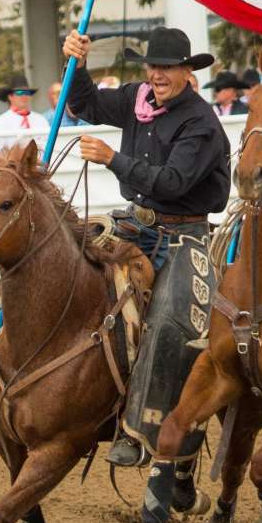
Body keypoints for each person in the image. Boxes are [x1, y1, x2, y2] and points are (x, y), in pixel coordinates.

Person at [50, 23, 230, 465]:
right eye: (152, 66)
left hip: (185, 233)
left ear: (187, 72)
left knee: (167, 321)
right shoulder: (138, 99)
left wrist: (113, 159)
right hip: (136, 223)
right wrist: (78, 65)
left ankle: (139, 428)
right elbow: (86, 104)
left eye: (167, 67)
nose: (157, 75)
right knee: (56, 256)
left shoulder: (200, 122)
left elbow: (172, 183)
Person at [0, 80, 50, 155]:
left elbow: (49, 145)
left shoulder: (41, 119)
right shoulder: (0, 122)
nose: (24, 96)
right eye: (19, 92)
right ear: (10, 96)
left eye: (27, 93)